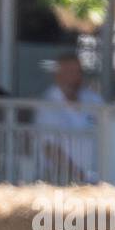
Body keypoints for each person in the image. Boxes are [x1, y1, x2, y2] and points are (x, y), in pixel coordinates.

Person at [34, 53, 103, 183]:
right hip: (57, 181)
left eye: (77, 72)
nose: (74, 77)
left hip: (94, 181)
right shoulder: (47, 104)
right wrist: (78, 176)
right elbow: (50, 147)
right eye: (69, 72)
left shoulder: (94, 100)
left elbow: (109, 131)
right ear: (57, 75)